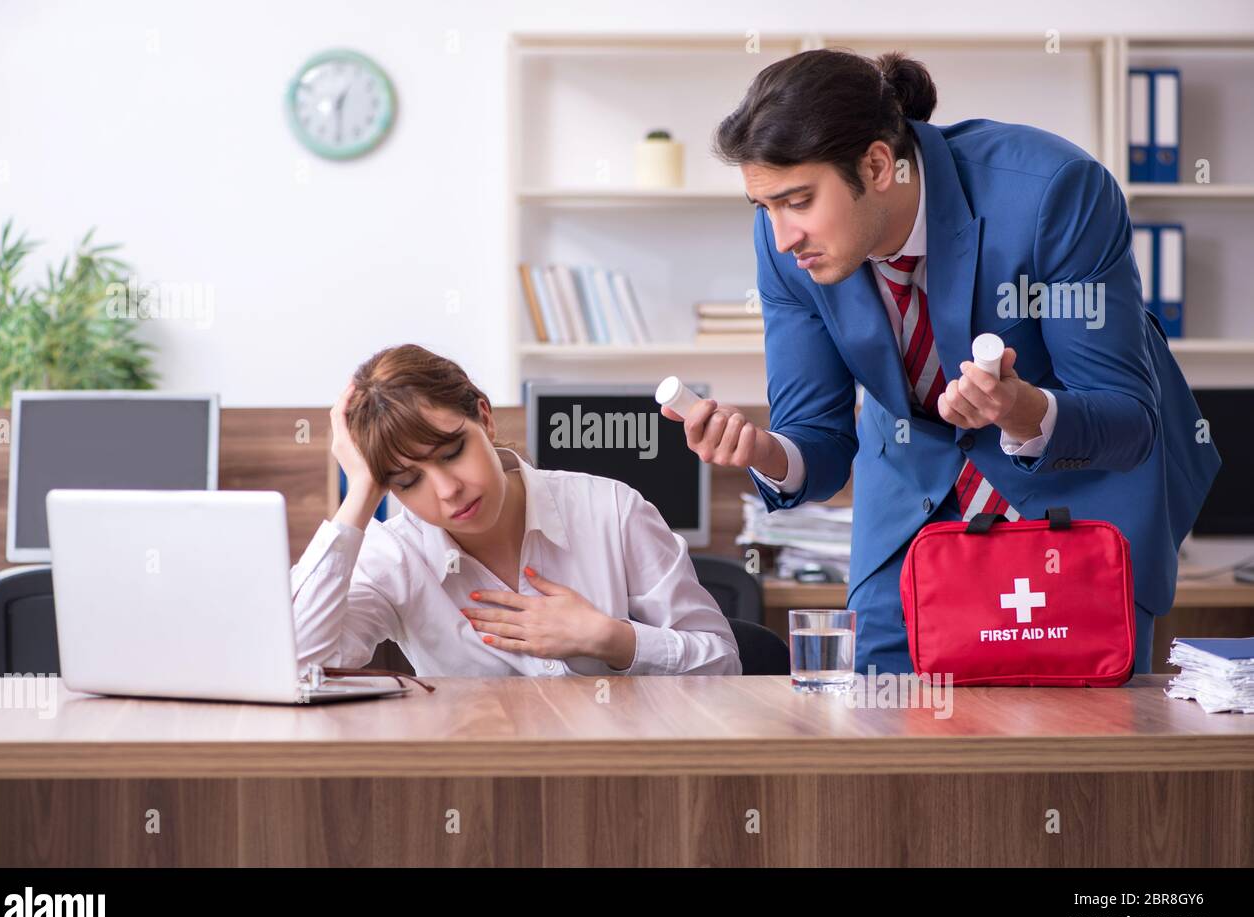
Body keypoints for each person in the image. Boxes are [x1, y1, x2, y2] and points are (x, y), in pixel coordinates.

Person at [664, 48, 1220, 675]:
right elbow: (817, 441)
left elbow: (1128, 420)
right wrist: (764, 452)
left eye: (797, 200)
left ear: (876, 164)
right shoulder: (789, 245)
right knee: (884, 746)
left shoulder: (1053, 192)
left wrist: (1023, 410)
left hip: (1071, 514)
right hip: (910, 522)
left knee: (1068, 758)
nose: (782, 234)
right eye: (763, 207)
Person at [290, 343, 741, 677]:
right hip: (476, 794)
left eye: (451, 453)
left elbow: (723, 664)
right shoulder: (393, 555)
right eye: (407, 480)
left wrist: (612, 640)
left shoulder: (612, 509)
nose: (448, 490)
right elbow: (298, 664)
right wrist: (362, 494)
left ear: (484, 417)